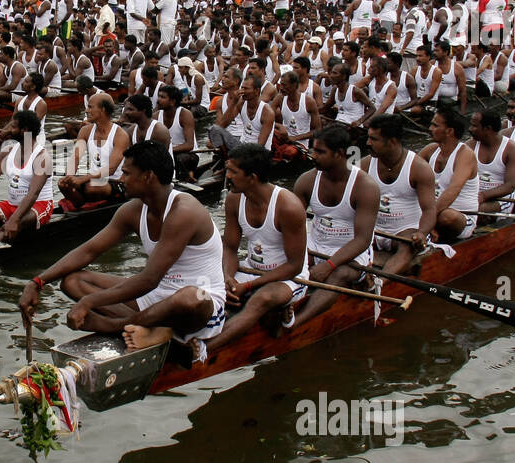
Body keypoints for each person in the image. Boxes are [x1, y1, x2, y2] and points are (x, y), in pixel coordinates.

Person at [18, 141, 226, 363]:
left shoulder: (184, 211)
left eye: (127, 173)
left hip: (201, 304)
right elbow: (88, 251)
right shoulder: (133, 210)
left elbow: (149, 280)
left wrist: (90, 302)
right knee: (73, 281)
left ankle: (116, 325)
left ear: (148, 176)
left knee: (189, 297)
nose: (120, 179)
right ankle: (154, 330)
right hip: (157, 298)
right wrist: (37, 282)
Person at [205, 143, 308, 356]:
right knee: (203, 287)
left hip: (288, 277)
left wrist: (250, 285)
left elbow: (295, 266)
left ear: (252, 177)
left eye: (233, 171)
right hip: (250, 268)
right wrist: (227, 277)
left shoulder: (288, 206)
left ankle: (205, 351)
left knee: (262, 299)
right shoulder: (234, 199)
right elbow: (230, 248)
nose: (227, 176)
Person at [291, 125, 380, 325]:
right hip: (315, 247)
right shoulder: (306, 181)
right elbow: (290, 228)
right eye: (313, 149)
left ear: (340, 153)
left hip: (352, 254)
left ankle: (297, 322)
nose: (313, 156)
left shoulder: (365, 187)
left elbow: (362, 240)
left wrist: (329, 266)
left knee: (340, 274)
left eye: (320, 152)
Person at [362, 114, 437, 275]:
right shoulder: (365, 164)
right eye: (368, 138)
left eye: (373, 139)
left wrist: (422, 233)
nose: (368, 143)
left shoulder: (419, 168)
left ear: (393, 141)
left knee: (408, 245)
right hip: (376, 231)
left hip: (406, 232)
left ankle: (380, 284)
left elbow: (430, 210)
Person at [0, 110, 54, 241]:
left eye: (13, 127)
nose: (7, 131)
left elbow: (33, 193)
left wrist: (13, 221)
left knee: (3, 232)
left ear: (24, 130)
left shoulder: (42, 158)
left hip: (39, 205)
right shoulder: (7, 152)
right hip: (12, 204)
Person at [419, 106, 480, 241]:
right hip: (432, 213)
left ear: (449, 131)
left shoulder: (465, 154)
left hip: (460, 217)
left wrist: (428, 222)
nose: (430, 129)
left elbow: (453, 190)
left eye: (435, 125)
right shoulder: (430, 150)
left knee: (447, 217)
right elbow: (407, 174)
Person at [59, 92, 129, 209]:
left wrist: (82, 179)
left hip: (115, 182)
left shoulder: (120, 135)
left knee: (91, 188)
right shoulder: (85, 131)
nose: (86, 110)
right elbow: (75, 157)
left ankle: (82, 204)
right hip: (92, 180)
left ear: (103, 109)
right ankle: (81, 207)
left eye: (90, 107)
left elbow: (110, 169)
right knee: (63, 184)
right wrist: (69, 177)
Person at [469, 109, 515, 216]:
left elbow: (510, 186)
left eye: (474, 126)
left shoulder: (512, 150)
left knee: (478, 210)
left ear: (488, 129)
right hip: (473, 195)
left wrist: (483, 196)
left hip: (501, 198)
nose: (470, 129)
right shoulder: (469, 146)